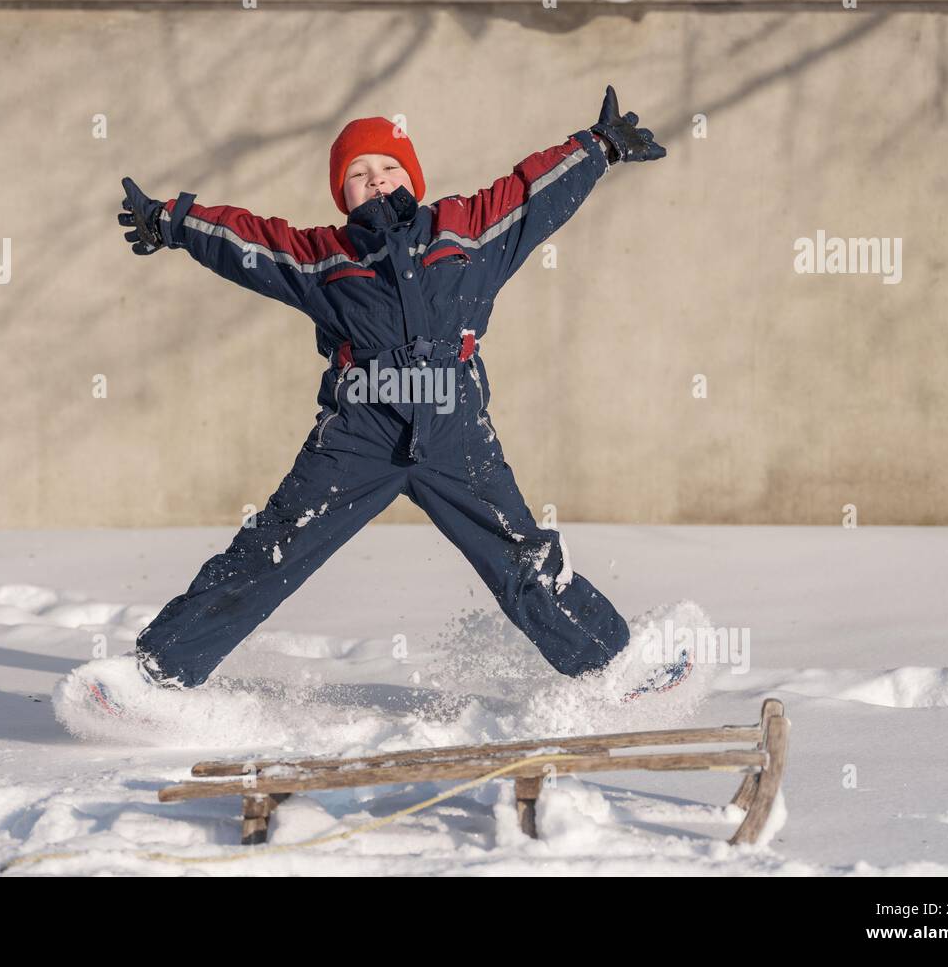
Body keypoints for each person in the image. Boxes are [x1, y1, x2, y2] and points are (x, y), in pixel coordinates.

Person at [118, 86, 667, 692]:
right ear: (340, 192)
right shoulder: (323, 258)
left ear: (413, 175)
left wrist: (598, 145)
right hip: (358, 436)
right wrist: (173, 220)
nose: (375, 181)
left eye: (387, 167)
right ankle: (153, 676)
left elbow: (531, 192)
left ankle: (618, 672)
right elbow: (248, 240)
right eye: (358, 174)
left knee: (523, 557)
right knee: (271, 551)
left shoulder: (467, 230)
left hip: (455, 433)